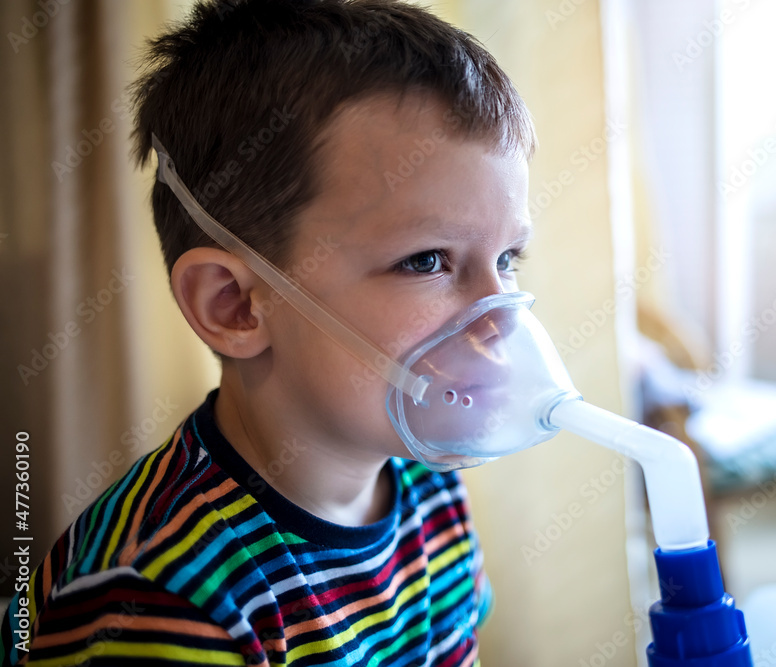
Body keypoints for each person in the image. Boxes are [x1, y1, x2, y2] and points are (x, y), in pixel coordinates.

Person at [1, 0, 537, 664]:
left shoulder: (430, 486)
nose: (499, 316)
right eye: (426, 260)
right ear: (235, 305)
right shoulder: (165, 597)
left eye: (509, 259)